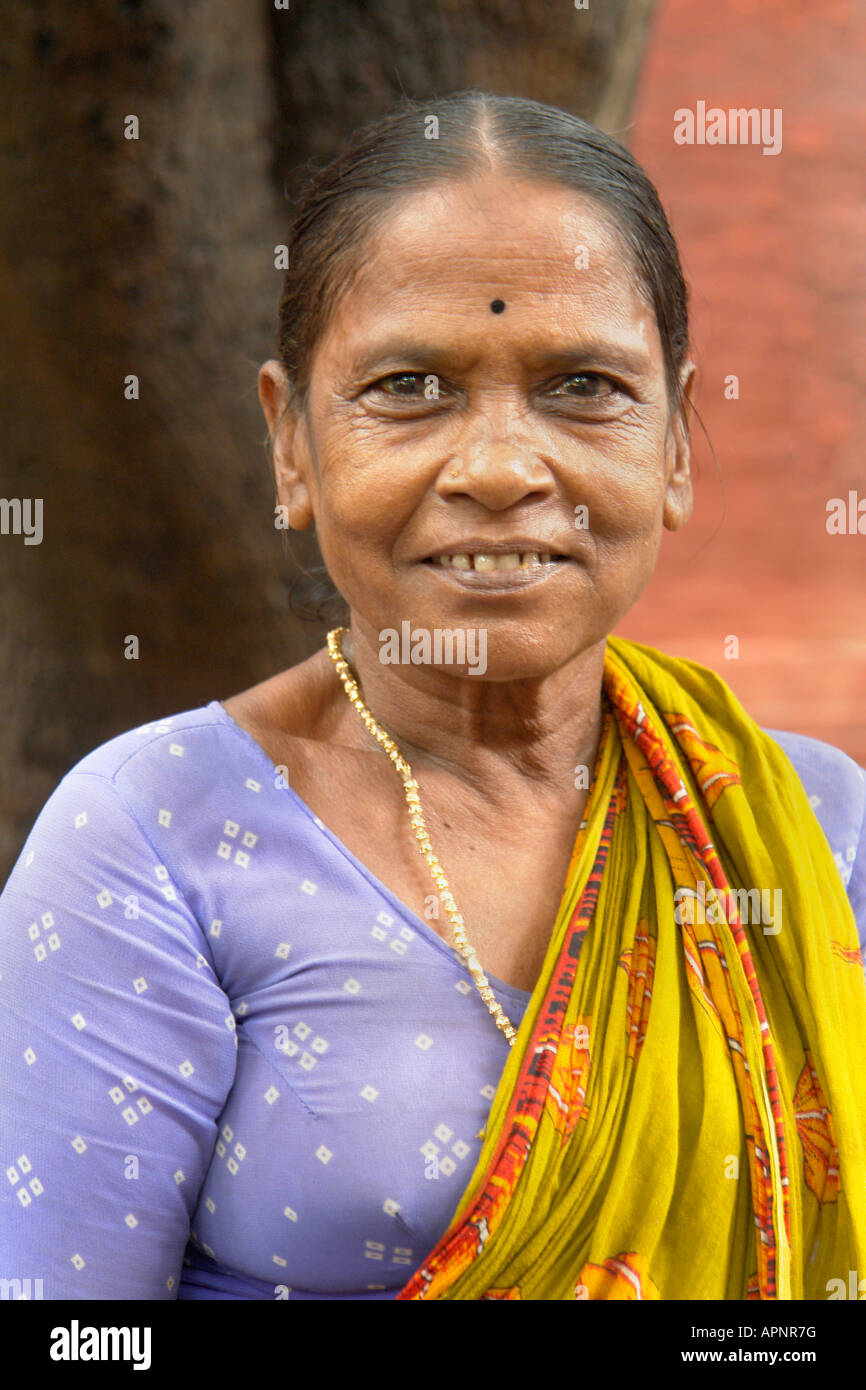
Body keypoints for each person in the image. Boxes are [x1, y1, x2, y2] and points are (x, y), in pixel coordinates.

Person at [1, 89, 865, 1302]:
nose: (502, 468)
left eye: (581, 385)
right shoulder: (153, 840)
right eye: (409, 386)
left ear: (672, 442)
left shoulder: (813, 831)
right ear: (291, 443)